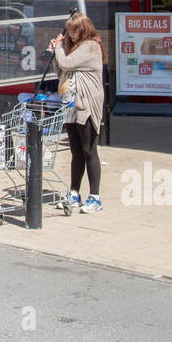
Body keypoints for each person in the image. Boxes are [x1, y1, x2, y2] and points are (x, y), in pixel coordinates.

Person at [50, 13, 106, 214]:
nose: (71, 34)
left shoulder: (91, 46)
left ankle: (95, 197)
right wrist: (58, 51)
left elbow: (66, 63)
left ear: (83, 29)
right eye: (69, 30)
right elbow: (62, 71)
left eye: (74, 30)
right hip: (72, 106)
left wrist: (58, 48)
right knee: (76, 152)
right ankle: (74, 192)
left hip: (86, 106)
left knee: (89, 150)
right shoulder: (74, 48)